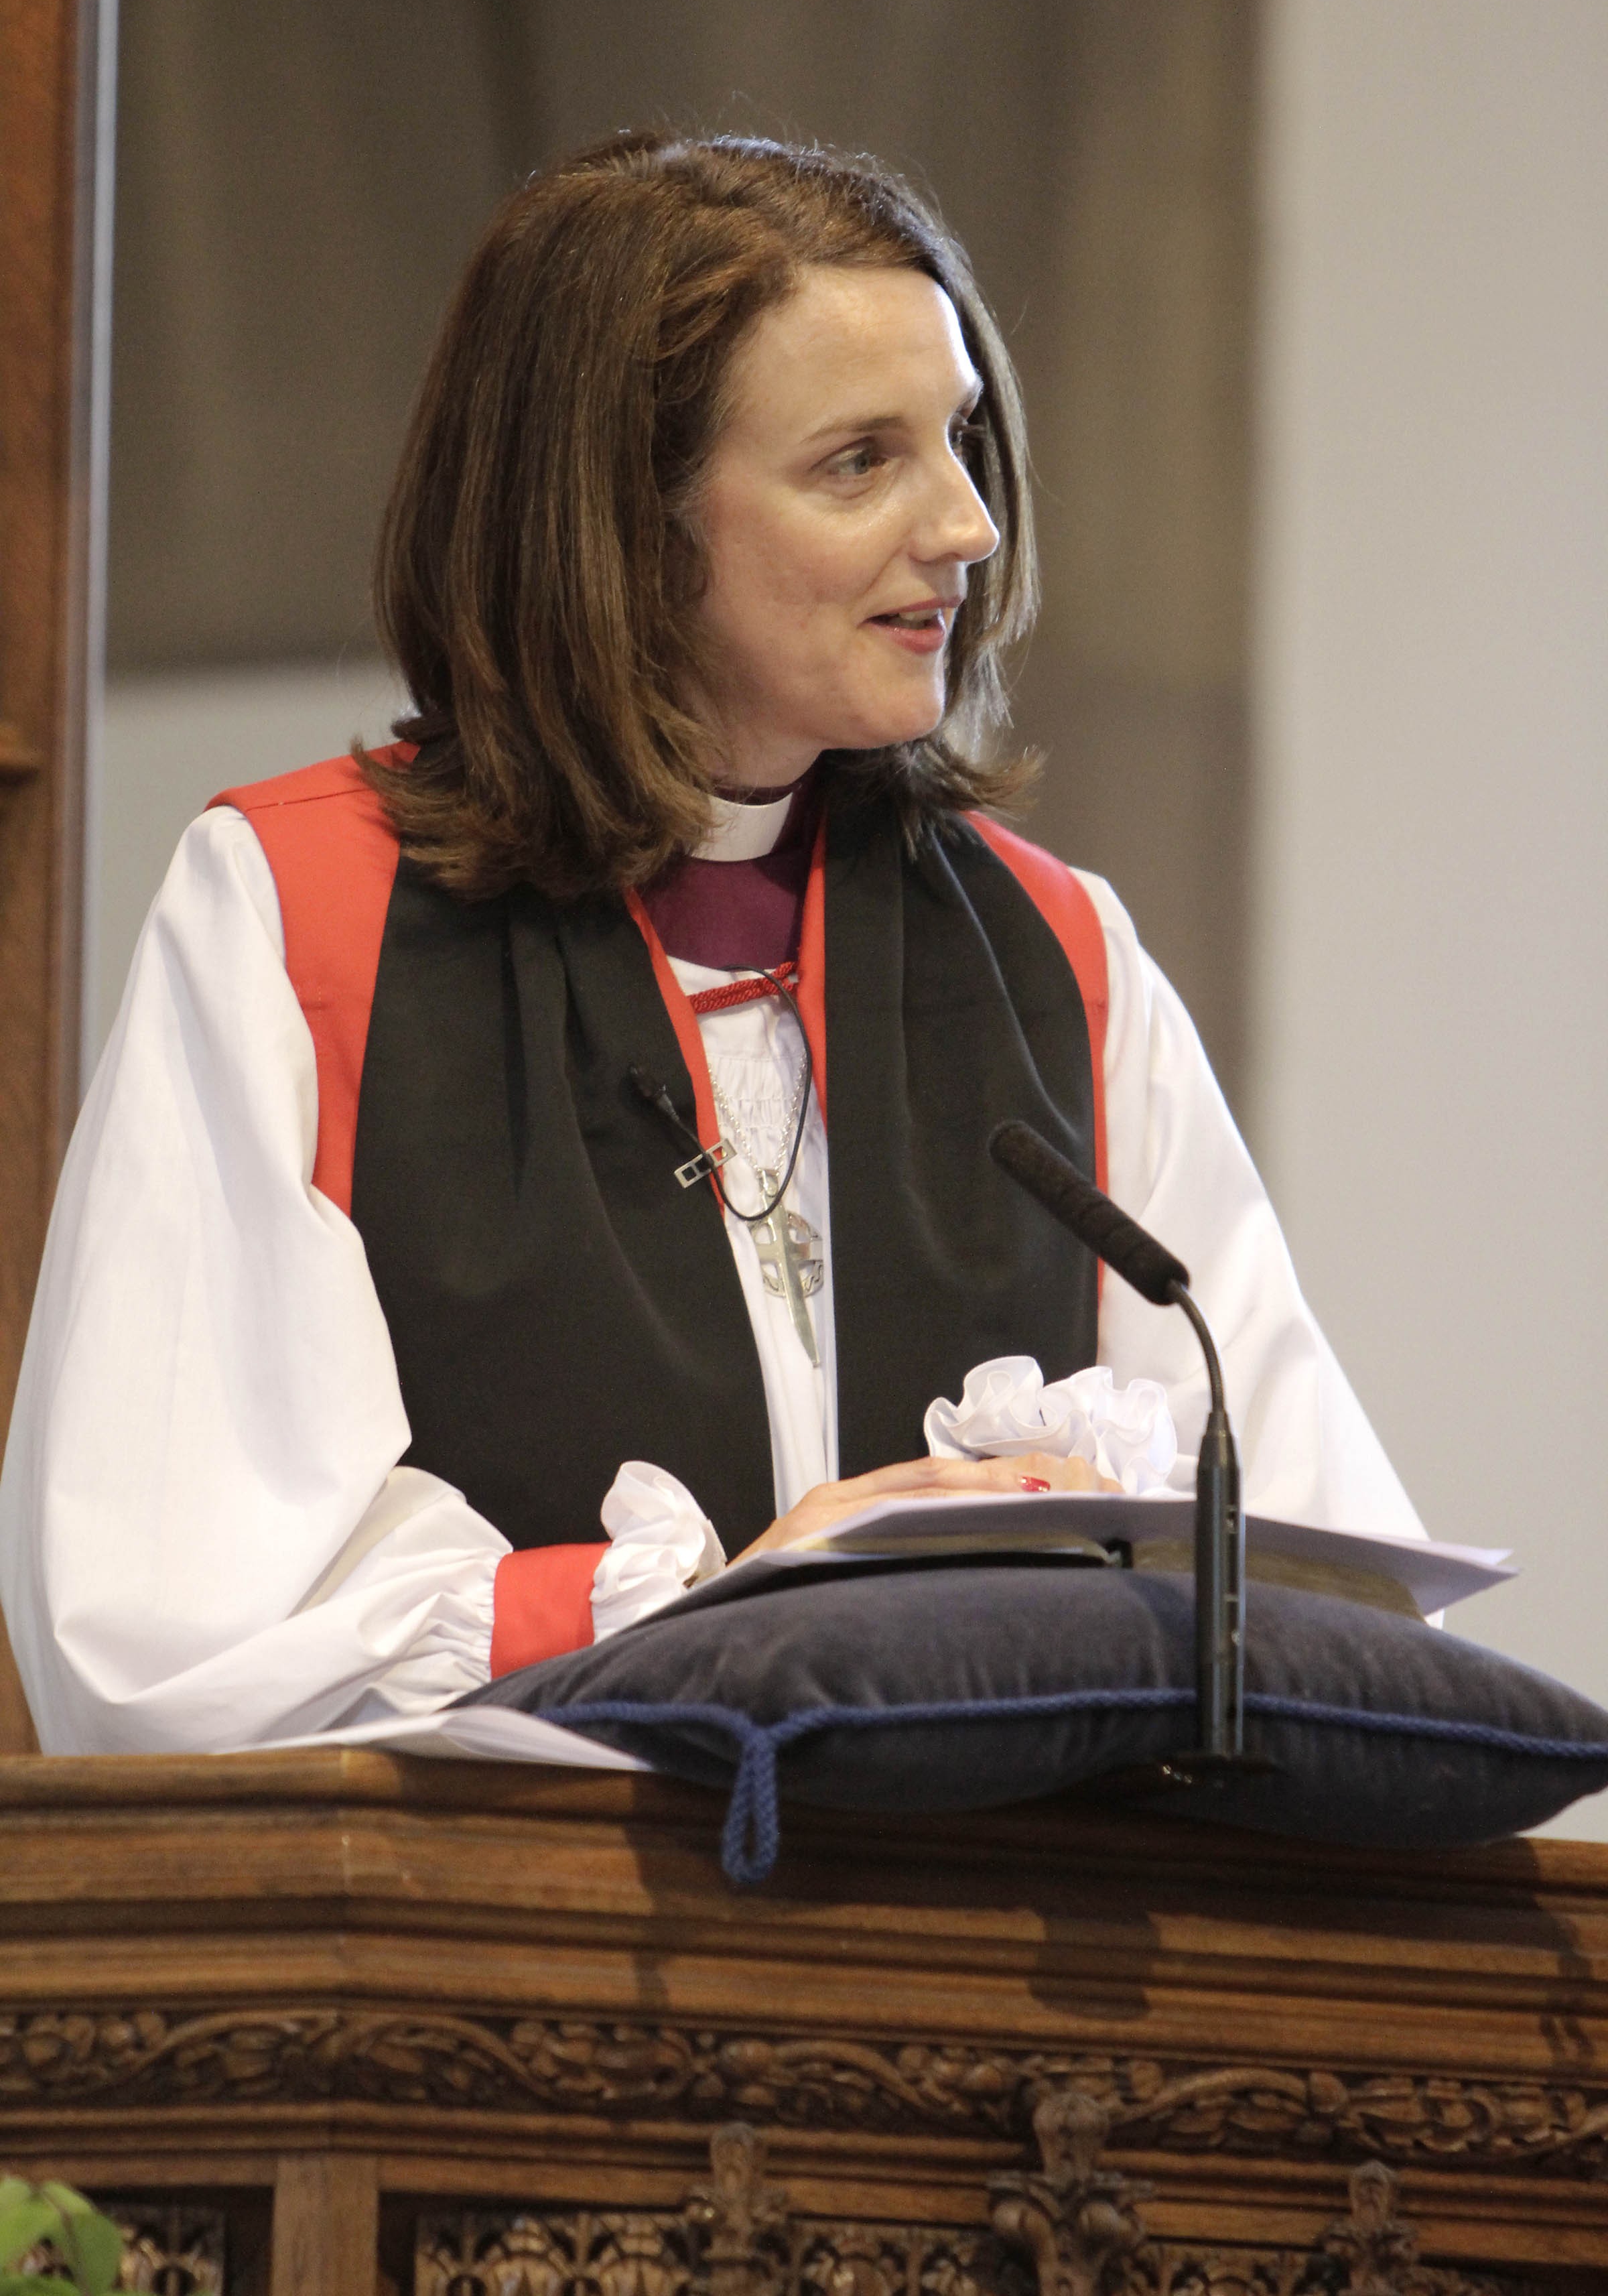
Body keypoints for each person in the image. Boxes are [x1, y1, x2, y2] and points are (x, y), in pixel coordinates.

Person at [0, 133, 1424, 1757]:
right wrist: (715, 1608)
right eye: (858, 461)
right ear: (625, 522)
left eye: (960, 438)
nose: (967, 525)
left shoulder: (1057, 955)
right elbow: (156, 1640)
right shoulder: (304, 916)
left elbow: (1326, 1579)